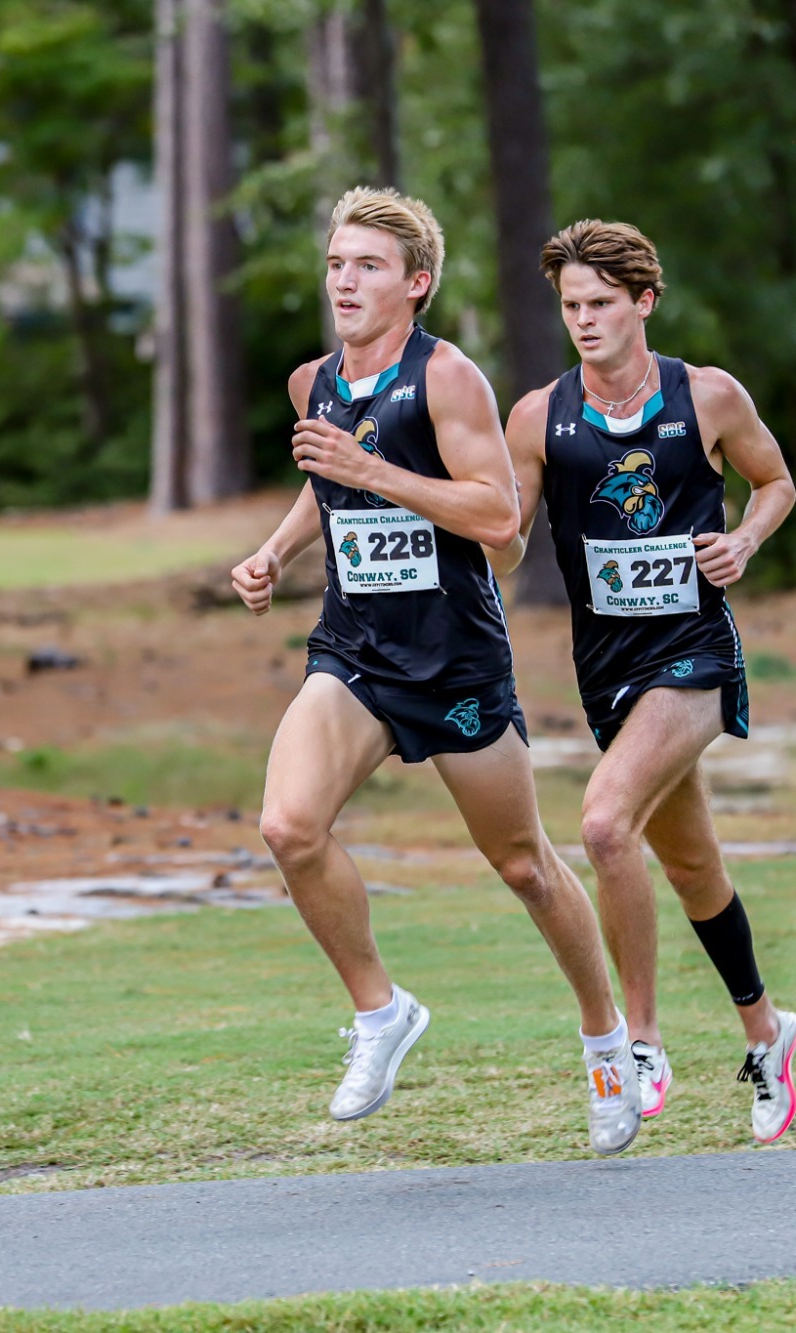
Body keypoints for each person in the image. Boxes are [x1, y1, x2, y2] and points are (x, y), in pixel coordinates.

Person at [231, 187, 641, 1154]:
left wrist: (371, 473)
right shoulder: (313, 381)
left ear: (415, 285)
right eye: (336, 263)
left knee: (524, 865)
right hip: (355, 649)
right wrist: (279, 551)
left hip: (453, 654)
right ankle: (381, 1012)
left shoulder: (449, 380)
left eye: (367, 266)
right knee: (289, 825)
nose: (344, 280)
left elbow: (500, 523)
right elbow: (325, 477)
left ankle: (607, 1041)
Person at [488, 219, 796, 1143]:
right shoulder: (537, 415)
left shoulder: (705, 395)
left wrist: (744, 538)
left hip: (696, 651)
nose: (583, 320)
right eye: (571, 305)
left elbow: (775, 481)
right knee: (692, 863)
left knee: (601, 823)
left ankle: (640, 1041)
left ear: (643, 303)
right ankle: (766, 1030)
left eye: (600, 303)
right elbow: (504, 537)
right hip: (607, 667)